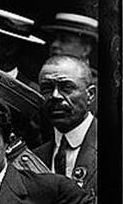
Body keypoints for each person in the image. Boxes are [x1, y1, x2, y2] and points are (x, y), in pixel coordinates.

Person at [34, 55, 98, 195]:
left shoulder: (120, 146)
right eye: (47, 88)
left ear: (90, 95)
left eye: (67, 88)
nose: (55, 95)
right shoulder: (35, 157)